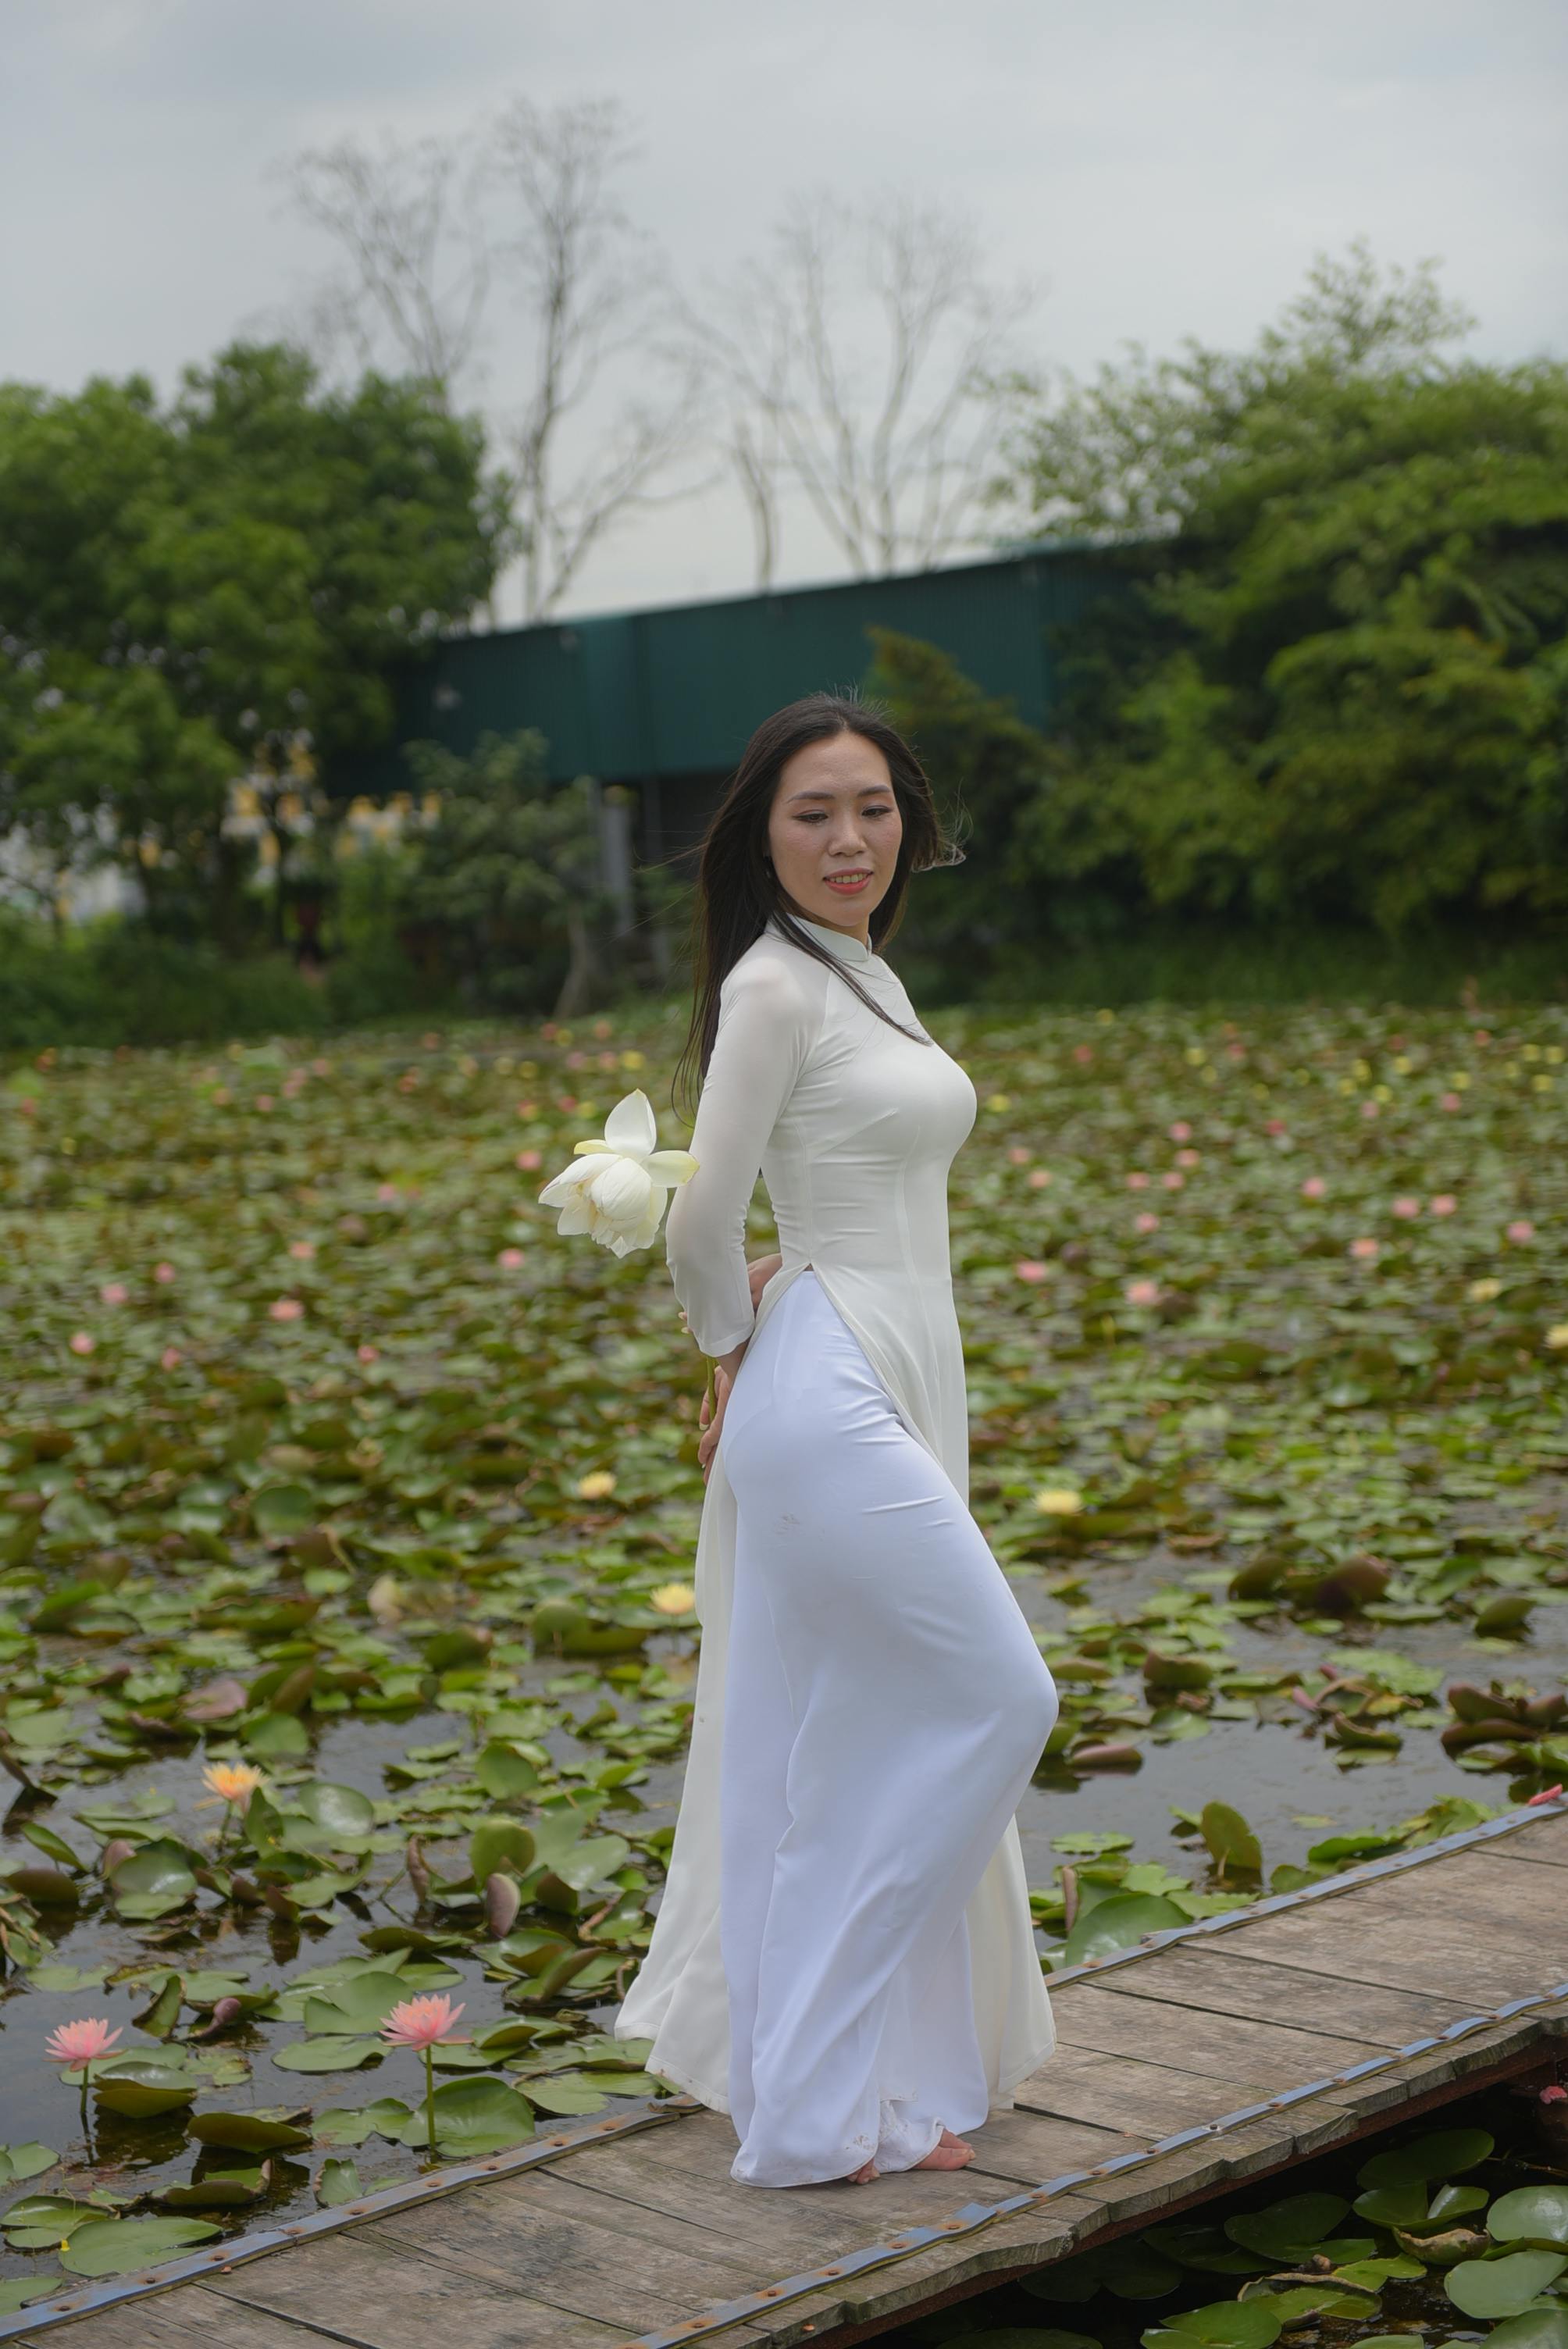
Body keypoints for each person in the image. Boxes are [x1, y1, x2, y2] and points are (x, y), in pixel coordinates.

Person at [611, 693, 1059, 2189]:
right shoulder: (775, 989)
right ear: (761, 833)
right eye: (814, 813)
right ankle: (807, 2087)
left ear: (909, 821)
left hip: (897, 1365)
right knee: (1003, 1694)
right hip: (830, 1384)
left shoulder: (862, 972)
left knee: (863, 1728)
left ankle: (867, 2088)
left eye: (873, 808)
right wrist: (731, 1356)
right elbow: (700, 1216)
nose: (851, 838)